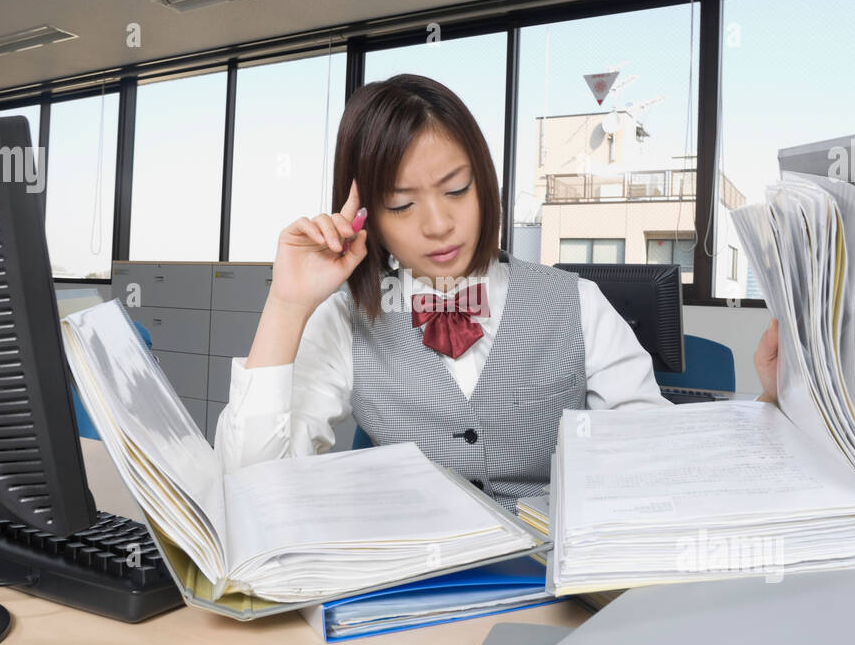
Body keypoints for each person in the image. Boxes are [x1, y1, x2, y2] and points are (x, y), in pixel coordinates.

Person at [216, 73, 779, 509]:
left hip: (555, 587)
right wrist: (287, 305)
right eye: (402, 204)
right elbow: (248, 488)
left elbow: (658, 458)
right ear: (367, 217)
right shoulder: (348, 319)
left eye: (456, 190)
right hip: (408, 594)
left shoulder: (575, 303)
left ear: (484, 184)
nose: (437, 224)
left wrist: (770, 406)